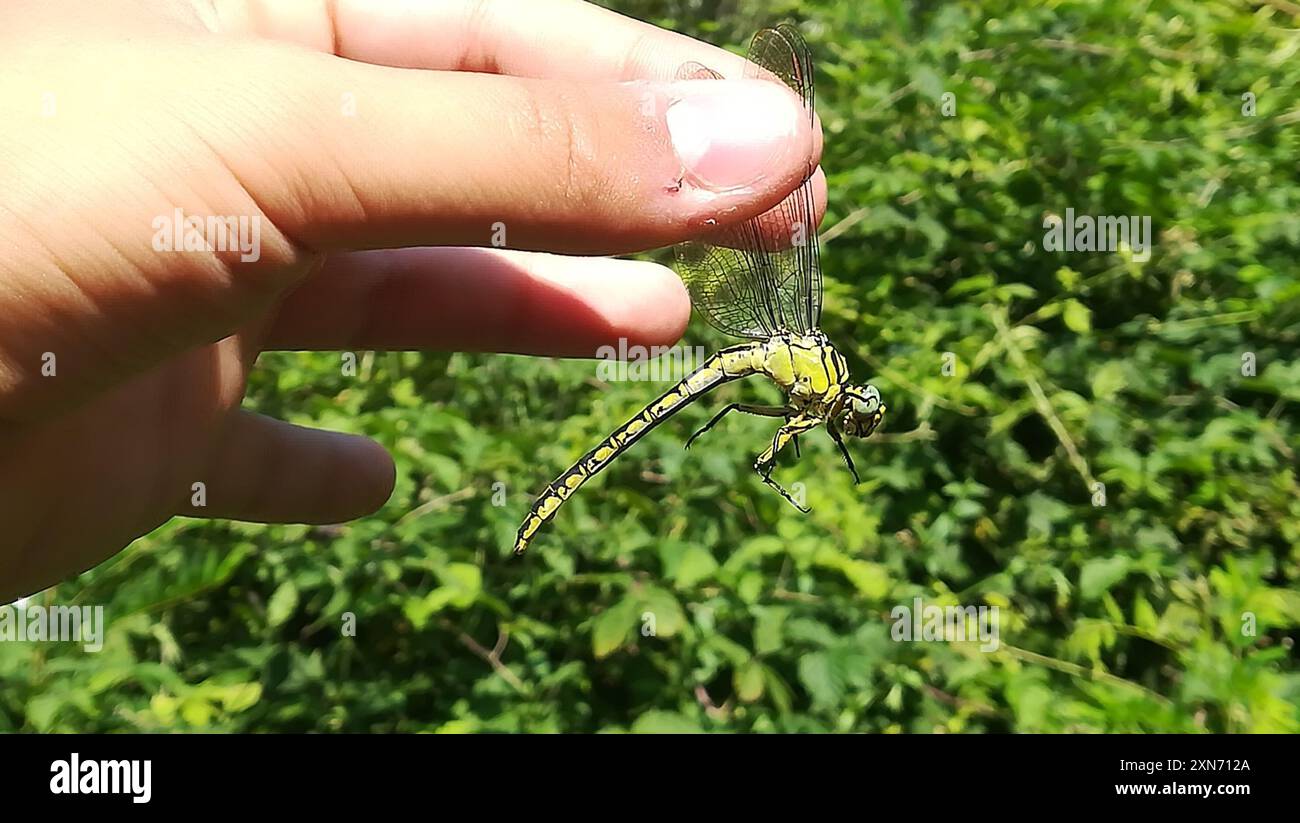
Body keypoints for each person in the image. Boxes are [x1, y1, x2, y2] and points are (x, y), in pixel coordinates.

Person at [0, 0, 824, 600]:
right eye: (845, 408)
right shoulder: (808, 371)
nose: (840, 411)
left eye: (844, 412)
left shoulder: (807, 380)